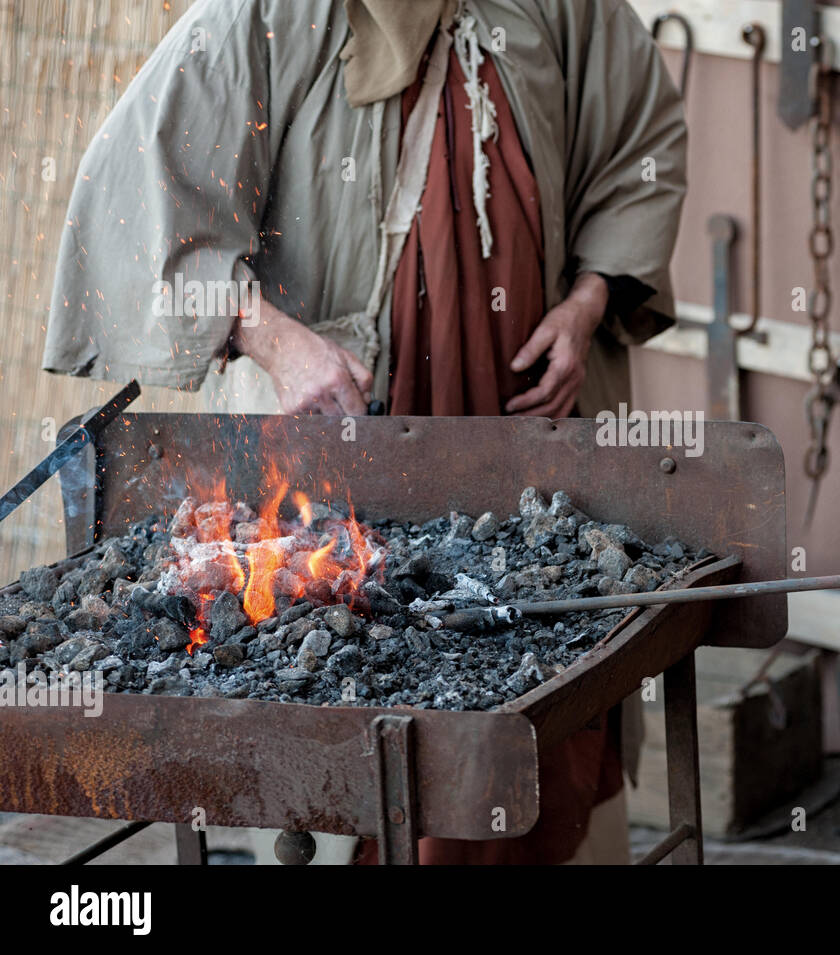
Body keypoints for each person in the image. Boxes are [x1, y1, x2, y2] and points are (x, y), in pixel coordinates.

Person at [43, 0, 687, 864]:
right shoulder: (271, 12)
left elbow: (639, 147)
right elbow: (139, 187)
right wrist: (279, 343)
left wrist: (587, 303)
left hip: (529, 422)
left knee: (539, 664)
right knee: (354, 665)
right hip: (343, 438)